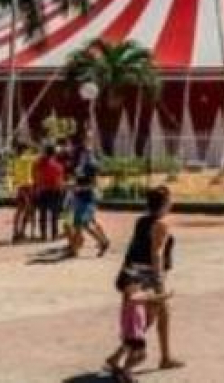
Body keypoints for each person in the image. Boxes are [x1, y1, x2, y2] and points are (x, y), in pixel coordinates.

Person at [118, 186, 183, 371]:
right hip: (147, 276)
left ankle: (162, 357)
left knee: (146, 319)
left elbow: (134, 248)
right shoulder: (162, 224)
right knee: (149, 318)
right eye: (170, 199)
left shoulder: (142, 221)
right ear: (165, 203)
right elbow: (157, 253)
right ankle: (157, 358)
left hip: (134, 273)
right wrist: (159, 280)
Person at [106, 276, 173, 383]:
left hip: (133, 334)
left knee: (131, 351)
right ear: (126, 288)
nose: (138, 285)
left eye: (138, 283)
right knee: (141, 355)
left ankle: (118, 365)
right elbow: (147, 298)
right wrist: (166, 295)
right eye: (135, 283)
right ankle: (126, 371)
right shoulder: (131, 298)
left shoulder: (137, 295)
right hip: (133, 335)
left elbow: (150, 297)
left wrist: (162, 296)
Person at [67, 151, 110, 258]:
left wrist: (79, 188)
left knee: (80, 224)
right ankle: (103, 242)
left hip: (87, 200)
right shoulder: (79, 169)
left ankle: (74, 249)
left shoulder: (91, 168)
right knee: (84, 224)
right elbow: (78, 182)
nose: (83, 157)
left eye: (85, 155)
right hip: (79, 200)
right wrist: (71, 186)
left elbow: (93, 185)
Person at [33, 145, 66, 241]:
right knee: (54, 214)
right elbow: (58, 182)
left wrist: (38, 187)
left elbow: (36, 177)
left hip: (43, 190)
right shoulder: (57, 166)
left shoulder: (39, 164)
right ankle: (54, 235)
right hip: (54, 191)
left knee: (42, 214)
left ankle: (43, 235)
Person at [10, 142, 38, 243]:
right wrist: (35, 146)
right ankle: (29, 233)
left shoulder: (16, 160)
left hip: (20, 186)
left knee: (19, 210)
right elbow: (39, 156)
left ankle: (16, 232)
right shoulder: (27, 159)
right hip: (28, 186)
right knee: (30, 210)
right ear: (25, 150)